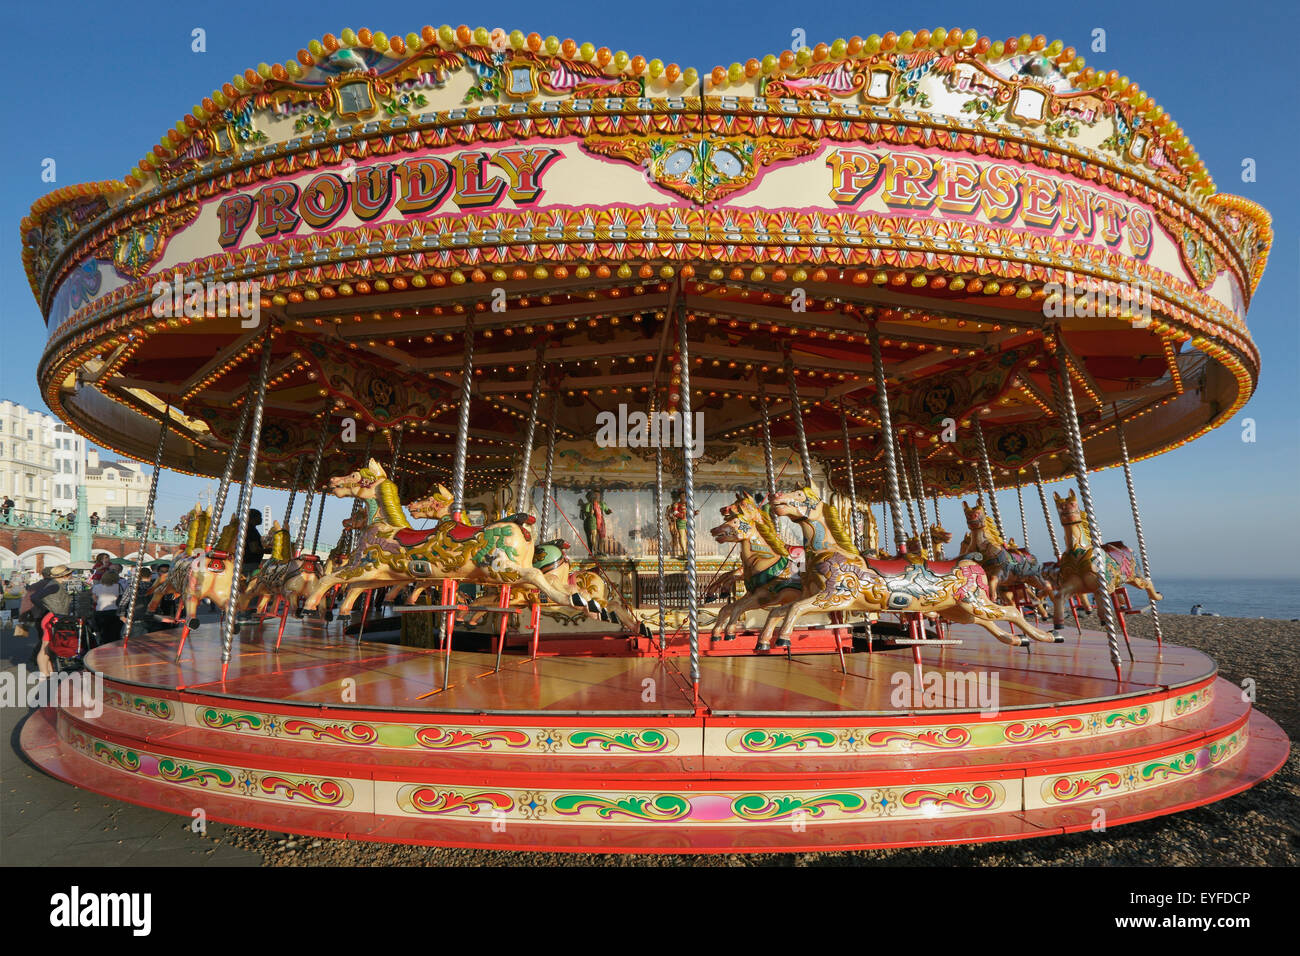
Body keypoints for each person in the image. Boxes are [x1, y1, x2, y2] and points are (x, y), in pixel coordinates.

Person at [30, 565, 74, 676]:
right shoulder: (55, 586)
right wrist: (46, 608)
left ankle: (49, 671)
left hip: (53, 616)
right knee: (45, 647)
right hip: (52, 617)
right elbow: (35, 597)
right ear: (65, 575)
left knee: (48, 647)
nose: (71, 576)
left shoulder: (55, 585)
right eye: (70, 574)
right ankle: (44, 673)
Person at [91, 567, 125, 647]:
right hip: (114, 612)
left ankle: (104, 647)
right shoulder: (118, 586)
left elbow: (94, 599)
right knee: (115, 633)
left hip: (100, 611)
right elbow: (121, 599)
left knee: (103, 633)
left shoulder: (97, 587)